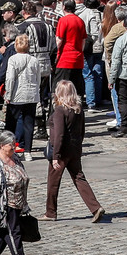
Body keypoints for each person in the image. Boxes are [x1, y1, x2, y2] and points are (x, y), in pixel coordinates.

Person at [43, 79, 105, 222]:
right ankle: (95, 207)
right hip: (75, 149)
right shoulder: (78, 109)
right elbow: (82, 131)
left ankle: (50, 212)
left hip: (62, 151)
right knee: (79, 178)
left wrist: (55, 156)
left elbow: (59, 135)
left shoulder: (60, 110)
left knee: (53, 182)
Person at [3, 34, 43, 157]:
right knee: (29, 124)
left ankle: (9, 149)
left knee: (11, 124)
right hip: (31, 94)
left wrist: (8, 94)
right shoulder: (34, 60)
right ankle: (28, 151)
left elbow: (10, 78)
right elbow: (38, 79)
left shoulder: (13, 59)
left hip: (16, 95)